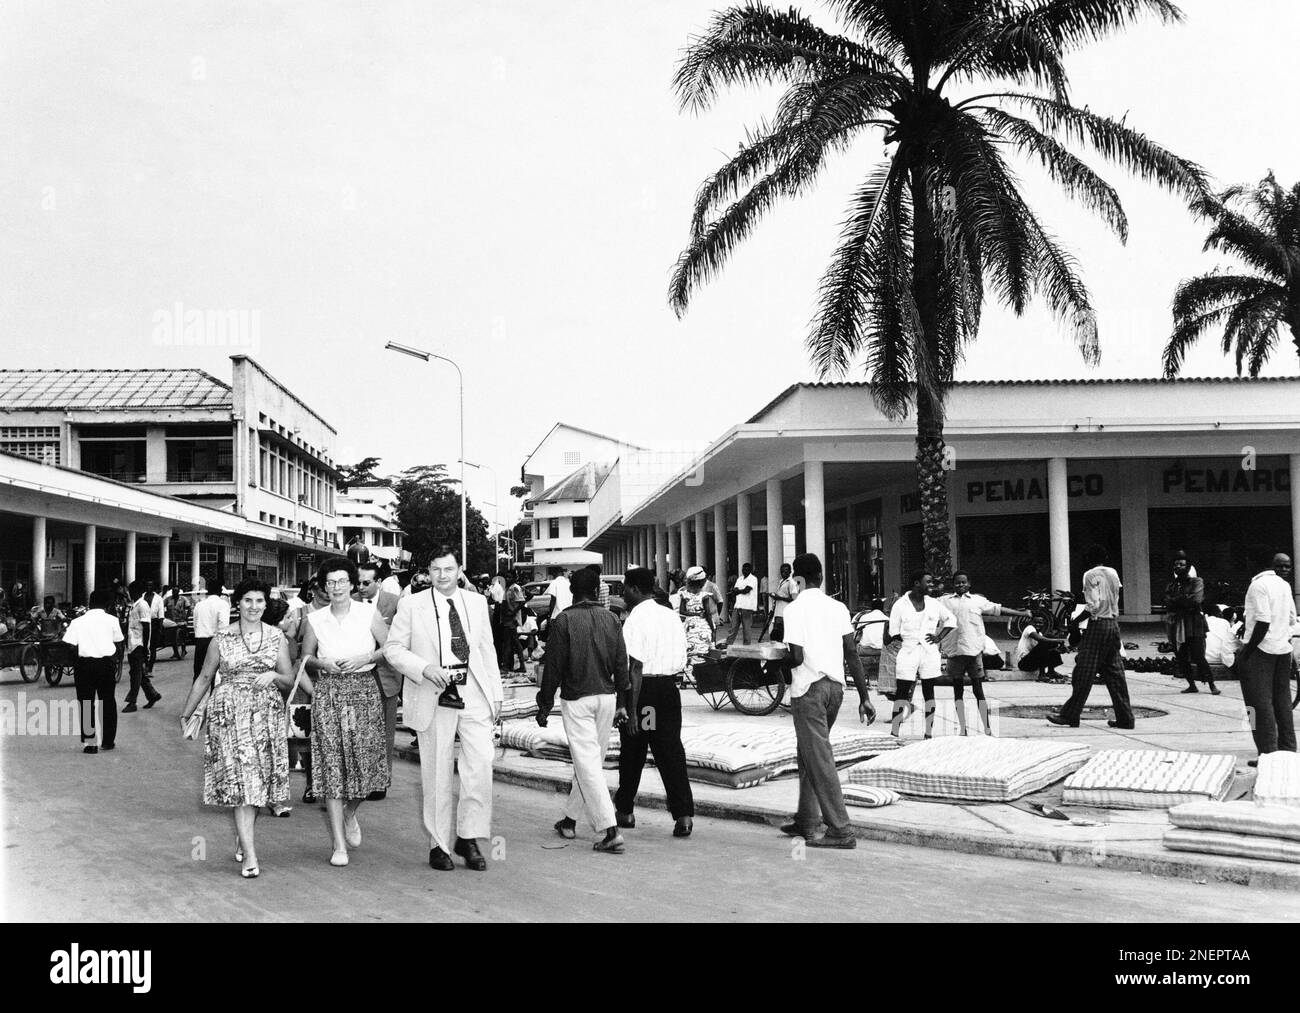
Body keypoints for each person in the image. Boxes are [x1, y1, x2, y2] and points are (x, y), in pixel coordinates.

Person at [385, 546, 502, 872]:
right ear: (428, 572)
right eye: (435, 569)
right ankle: (438, 843)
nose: (442, 575)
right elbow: (393, 649)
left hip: (473, 692)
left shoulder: (477, 603)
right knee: (436, 771)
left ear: (459, 569)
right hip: (433, 693)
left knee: (480, 765)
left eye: (448, 569)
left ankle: (469, 836)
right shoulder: (411, 605)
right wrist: (423, 668)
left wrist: (496, 694)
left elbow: (486, 649)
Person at [179, 577, 295, 878]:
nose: (254, 607)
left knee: (258, 784)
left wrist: (273, 676)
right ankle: (251, 855)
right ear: (238, 603)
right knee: (242, 783)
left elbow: (289, 678)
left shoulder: (276, 638)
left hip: (265, 716)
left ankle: (244, 838)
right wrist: (188, 712)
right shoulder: (222, 638)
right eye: (248, 600)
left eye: (259, 601)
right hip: (228, 716)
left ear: (265, 604)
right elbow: (205, 678)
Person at [301, 557, 392, 867]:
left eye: (342, 581)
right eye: (330, 582)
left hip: (364, 689)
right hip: (329, 693)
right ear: (323, 587)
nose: (336, 587)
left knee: (367, 763)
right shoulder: (315, 619)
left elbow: (390, 649)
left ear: (353, 584)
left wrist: (367, 656)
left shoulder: (369, 613)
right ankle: (339, 844)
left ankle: (351, 811)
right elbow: (305, 657)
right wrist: (321, 664)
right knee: (332, 766)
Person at [780, 552, 875, 848]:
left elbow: (795, 656)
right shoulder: (838, 607)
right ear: (821, 577)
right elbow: (851, 653)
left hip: (808, 689)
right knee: (808, 753)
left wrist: (773, 663)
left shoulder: (794, 610)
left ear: (798, 579)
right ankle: (807, 819)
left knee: (819, 760)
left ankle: (841, 830)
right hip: (835, 689)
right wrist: (865, 697)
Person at [537, 567, 630, 852]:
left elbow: (552, 668)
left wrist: (544, 704)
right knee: (589, 763)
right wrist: (623, 705)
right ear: (596, 590)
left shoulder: (563, 621)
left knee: (587, 764)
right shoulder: (612, 619)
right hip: (607, 698)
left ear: (573, 592)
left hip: (577, 699)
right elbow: (621, 664)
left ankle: (610, 829)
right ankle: (569, 820)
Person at [615, 566, 695, 837]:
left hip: (645, 694)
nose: (623, 593)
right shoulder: (670, 615)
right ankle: (683, 816)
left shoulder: (635, 619)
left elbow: (635, 668)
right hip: (669, 691)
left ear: (636, 589)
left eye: (625, 587)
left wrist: (633, 711)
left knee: (633, 752)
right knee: (671, 752)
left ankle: (625, 811)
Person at [1048, 544, 1134, 729]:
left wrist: (1075, 621)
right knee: (1115, 674)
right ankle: (1126, 718)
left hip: (1098, 625)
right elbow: (1113, 596)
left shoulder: (1090, 575)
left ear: (1088, 560)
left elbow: (1093, 604)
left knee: (1083, 672)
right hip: (1113, 624)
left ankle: (1070, 715)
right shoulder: (1113, 573)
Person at [939, 572, 1030, 736]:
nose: (960, 585)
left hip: (973, 652)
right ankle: (962, 729)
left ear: (969, 584)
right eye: (957, 583)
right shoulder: (943, 601)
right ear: (953, 585)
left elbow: (999, 610)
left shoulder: (978, 601)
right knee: (957, 692)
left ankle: (987, 728)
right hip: (954, 652)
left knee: (978, 691)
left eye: (963, 582)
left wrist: (1021, 614)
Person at [1237, 550, 1297, 762]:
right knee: (1282, 703)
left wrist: (1247, 651)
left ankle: (1267, 754)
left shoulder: (1257, 585)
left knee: (1256, 706)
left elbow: (1262, 621)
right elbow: (1291, 618)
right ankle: (1288, 751)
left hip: (1261, 651)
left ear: (1254, 562)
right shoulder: (1283, 584)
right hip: (1282, 650)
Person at [886, 571, 956, 738]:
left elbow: (951, 620)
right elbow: (893, 631)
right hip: (908, 651)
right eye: (928, 582)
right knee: (902, 692)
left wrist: (938, 637)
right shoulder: (900, 604)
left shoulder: (934, 604)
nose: (931, 585)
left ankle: (928, 733)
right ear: (917, 584)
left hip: (929, 652)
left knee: (929, 691)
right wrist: (909, 639)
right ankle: (894, 733)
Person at [355, 560, 402, 799]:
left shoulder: (394, 604)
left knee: (385, 731)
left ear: (379, 582)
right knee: (359, 731)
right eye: (358, 582)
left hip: (385, 676)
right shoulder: (349, 604)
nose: (361, 587)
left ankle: (381, 781)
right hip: (356, 676)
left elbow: (400, 642)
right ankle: (360, 778)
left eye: (366, 582)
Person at [63, 589, 124, 754]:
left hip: (84, 665)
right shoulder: (112, 620)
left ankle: (90, 743)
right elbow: (119, 644)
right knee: (108, 702)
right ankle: (108, 741)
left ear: (90, 603)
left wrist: (77, 662)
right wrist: (114, 660)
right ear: (107, 604)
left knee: (86, 703)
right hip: (106, 665)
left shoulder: (77, 622)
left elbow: (69, 645)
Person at [1165, 554, 1218, 695]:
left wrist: (1178, 601)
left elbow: (1196, 600)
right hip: (1178, 623)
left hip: (1194, 622)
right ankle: (1191, 685)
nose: (1178, 567)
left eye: (1181, 564)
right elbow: (1168, 603)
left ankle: (1212, 684)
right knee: (1181, 655)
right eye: (1176, 564)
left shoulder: (1197, 582)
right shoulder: (1172, 585)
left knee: (1198, 654)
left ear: (1187, 567)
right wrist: (1183, 601)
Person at [122, 580, 162, 713]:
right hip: (133, 643)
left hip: (139, 644)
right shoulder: (135, 605)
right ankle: (152, 695)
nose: (129, 593)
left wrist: (145, 648)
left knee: (136, 674)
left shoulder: (142, 605)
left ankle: (132, 701)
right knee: (137, 672)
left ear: (136, 592)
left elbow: (146, 627)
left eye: (130, 591)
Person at [678, 565, 717, 672]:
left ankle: (689, 673)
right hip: (702, 625)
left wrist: (693, 615)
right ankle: (701, 673)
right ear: (701, 582)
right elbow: (708, 613)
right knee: (703, 650)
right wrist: (712, 627)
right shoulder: (704, 595)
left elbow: (682, 611)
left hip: (689, 625)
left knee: (690, 649)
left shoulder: (684, 594)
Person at [191, 574, 230, 681]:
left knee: (199, 673)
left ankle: (197, 696)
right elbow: (223, 626)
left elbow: (195, 624)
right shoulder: (223, 604)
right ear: (220, 591)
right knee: (216, 674)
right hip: (215, 642)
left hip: (200, 642)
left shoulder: (199, 605)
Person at [502, 570, 529, 673]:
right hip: (508, 619)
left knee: (511, 643)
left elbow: (521, 602)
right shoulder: (508, 588)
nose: (507, 579)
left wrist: (513, 612)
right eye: (506, 577)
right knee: (513, 642)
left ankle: (508, 666)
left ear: (514, 578)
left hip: (512, 620)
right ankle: (520, 665)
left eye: (509, 577)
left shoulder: (515, 588)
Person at [727, 562, 759, 645]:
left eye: (747, 569)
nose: (744, 570)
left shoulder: (753, 579)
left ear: (750, 570)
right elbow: (734, 590)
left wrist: (738, 591)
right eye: (743, 569)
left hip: (747, 607)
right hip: (738, 605)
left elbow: (747, 590)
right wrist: (738, 591)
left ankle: (746, 645)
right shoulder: (740, 579)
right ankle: (728, 644)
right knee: (733, 627)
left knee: (746, 628)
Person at [769, 563, 800, 642]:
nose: (783, 573)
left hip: (785, 612)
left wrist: (779, 597)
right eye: (782, 571)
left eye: (786, 571)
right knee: (777, 635)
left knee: (782, 635)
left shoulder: (791, 583)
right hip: (778, 612)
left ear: (790, 572)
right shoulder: (781, 581)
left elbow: (794, 598)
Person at [164, 585, 192, 660]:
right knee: (173, 637)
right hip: (171, 621)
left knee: (182, 637)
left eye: (176, 591)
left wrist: (186, 618)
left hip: (181, 621)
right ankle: (175, 652)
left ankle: (183, 650)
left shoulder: (183, 599)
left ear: (178, 592)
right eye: (173, 591)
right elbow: (162, 606)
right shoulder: (168, 599)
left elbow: (189, 608)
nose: (175, 593)